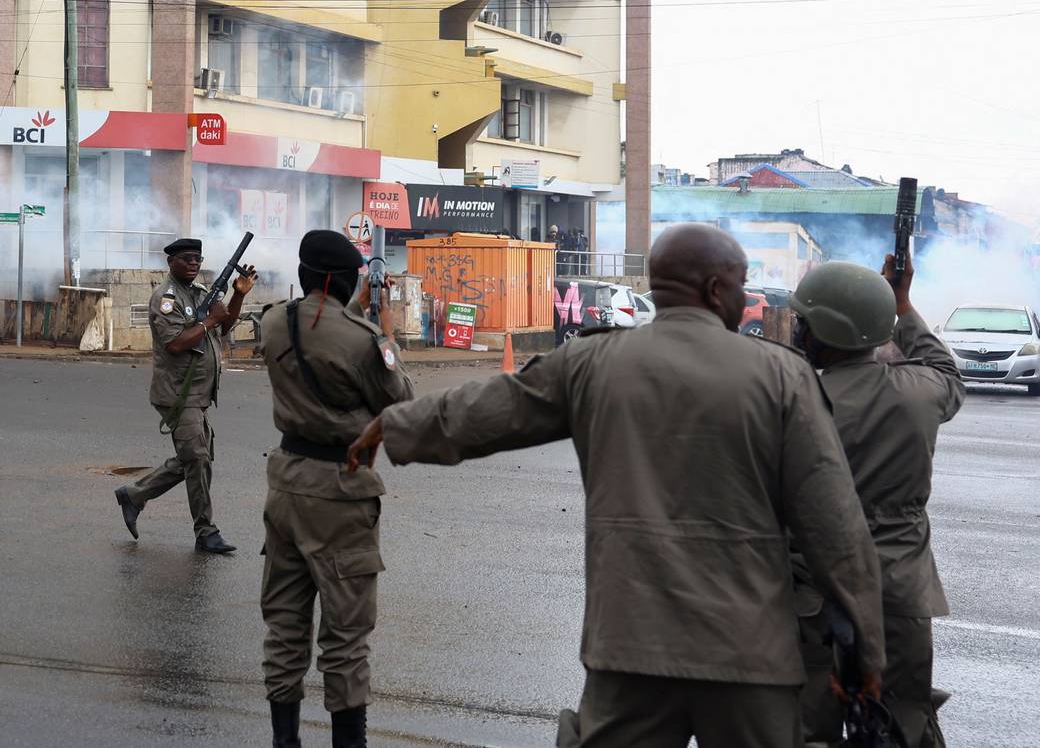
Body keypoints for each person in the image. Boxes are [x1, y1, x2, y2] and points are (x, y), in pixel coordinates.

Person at [347, 223, 887, 747]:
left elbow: (491, 409)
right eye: (741, 283)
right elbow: (835, 528)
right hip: (748, 653)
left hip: (629, 648)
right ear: (717, 288)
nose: (743, 295)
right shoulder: (782, 376)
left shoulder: (592, 361)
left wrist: (395, 424)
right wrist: (865, 651)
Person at [790, 257, 963, 747]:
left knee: (806, 729)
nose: (799, 330)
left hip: (813, 595)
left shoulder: (798, 400)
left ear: (825, 330)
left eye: (806, 321)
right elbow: (944, 368)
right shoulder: (921, 392)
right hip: (900, 591)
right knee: (904, 723)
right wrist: (904, 305)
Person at [256, 230, 411, 748]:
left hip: (287, 483)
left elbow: (317, 338)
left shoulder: (274, 321)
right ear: (345, 281)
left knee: (285, 628)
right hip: (339, 492)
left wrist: (350, 313)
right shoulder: (363, 340)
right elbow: (399, 399)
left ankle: (285, 741)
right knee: (345, 639)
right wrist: (381, 327)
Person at [113, 237, 255, 554]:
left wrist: (237, 296)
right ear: (171, 262)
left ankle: (134, 495)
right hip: (178, 394)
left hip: (198, 394)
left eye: (198, 259)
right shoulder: (166, 298)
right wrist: (207, 321)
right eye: (187, 258)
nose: (193, 263)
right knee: (198, 458)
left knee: (193, 460)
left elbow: (224, 325)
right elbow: (175, 343)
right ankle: (206, 532)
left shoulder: (200, 293)